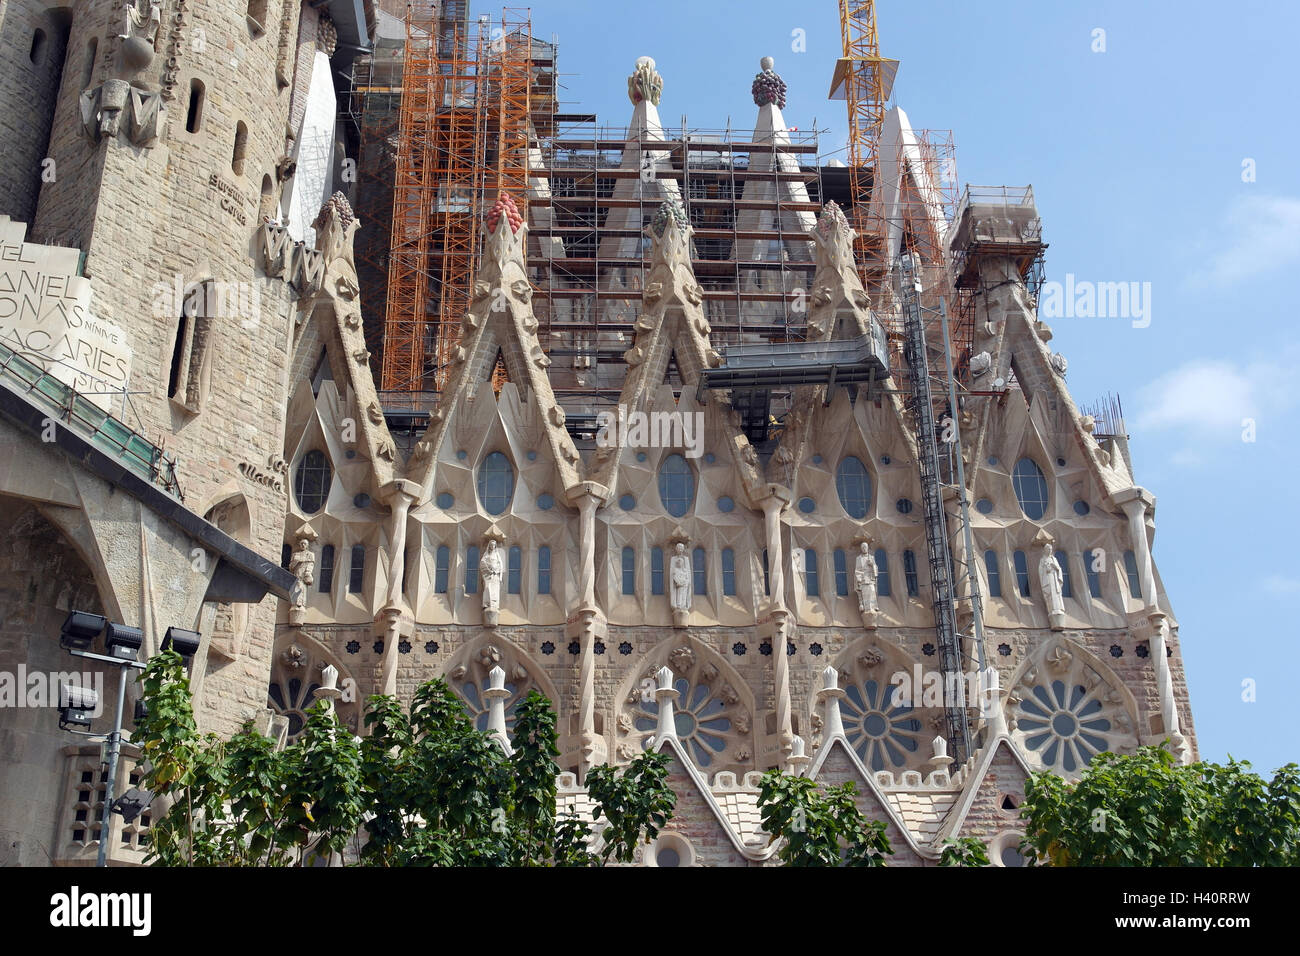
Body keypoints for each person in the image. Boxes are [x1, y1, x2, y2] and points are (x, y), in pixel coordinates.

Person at [854, 541, 878, 613]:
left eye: (865, 547)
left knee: (872, 590)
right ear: (861, 549)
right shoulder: (858, 558)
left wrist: (872, 564)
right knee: (865, 593)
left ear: (867, 548)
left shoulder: (871, 557)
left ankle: (873, 607)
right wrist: (859, 578)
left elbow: (876, 568)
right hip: (863, 578)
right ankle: (866, 609)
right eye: (863, 547)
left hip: (870, 577)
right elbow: (857, 570)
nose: (864, 548)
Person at [480, 539, 504, 610]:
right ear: (489, 545)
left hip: (496, 574)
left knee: (495, 589)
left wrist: (500, 576)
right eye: (491, 545)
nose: (492, 546)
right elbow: (482, 563)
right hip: (488, 575)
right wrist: (488, 569)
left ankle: (494, 604)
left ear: (495, 546)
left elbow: (500, 564)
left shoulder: (497, 554)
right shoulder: (486, 554)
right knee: (487, 587)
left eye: (494, 545)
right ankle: (486, 603)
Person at [669, 542, 691, 611]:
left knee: (684, 595)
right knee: (679, 594)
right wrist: (678, 582)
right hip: (678, 584)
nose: (680, 549)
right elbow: (673, 574)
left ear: (683, 549)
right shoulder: (673, 559)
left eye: (681, 548)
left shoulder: (686, 559)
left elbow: (687, 574)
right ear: (676, 549)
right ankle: (678, 605)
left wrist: (686, 581)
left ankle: (684, 605)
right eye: (678, 548)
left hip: (684, 583)